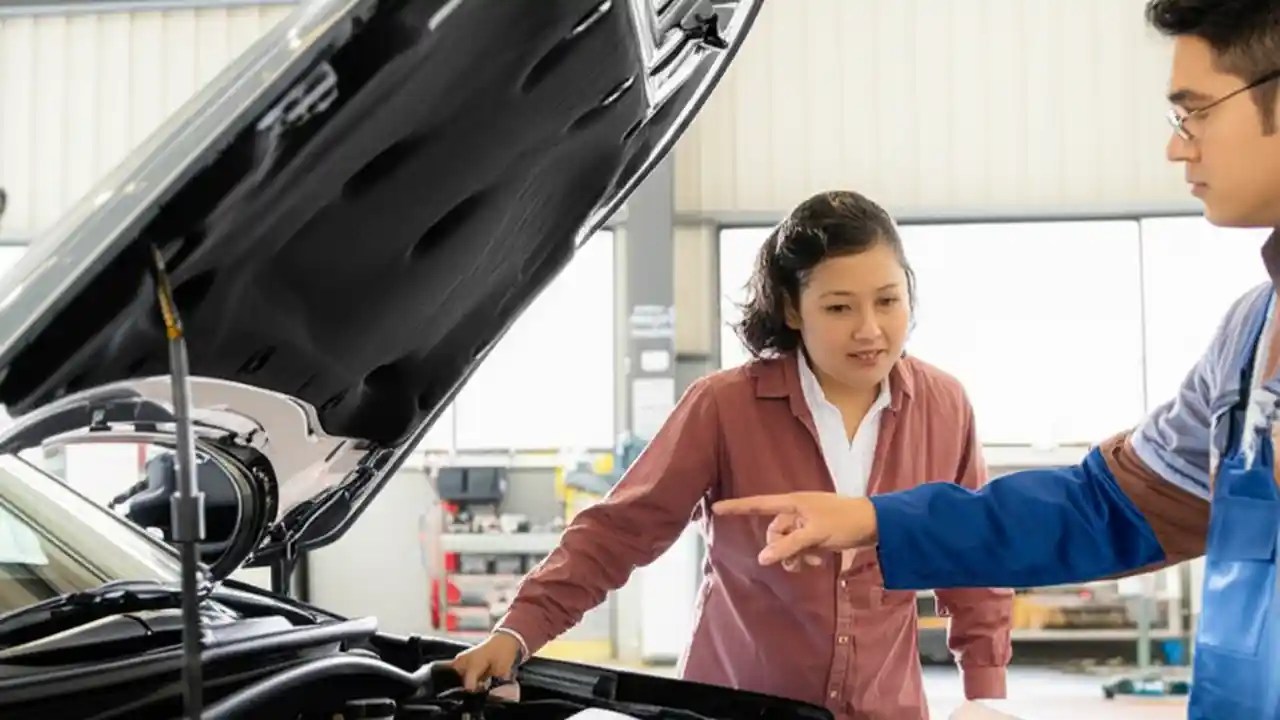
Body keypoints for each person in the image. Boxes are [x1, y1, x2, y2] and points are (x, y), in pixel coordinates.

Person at [712, 3, 1280, 719]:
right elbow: (1103, 509)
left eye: (1193, 112)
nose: (1177, 148)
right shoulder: (1251, 334)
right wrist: (875, 520)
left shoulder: (940, 401)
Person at [450, 190, 1014, 720]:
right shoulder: (725, 406)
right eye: (839, 307)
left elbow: (975, 553)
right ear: (793, 310)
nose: (870, 330)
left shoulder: (944, 406)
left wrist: (985, 694)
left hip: (884, 707)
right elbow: (619, 531)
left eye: (889, 301)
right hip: (734, 701)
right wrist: (518, 630)